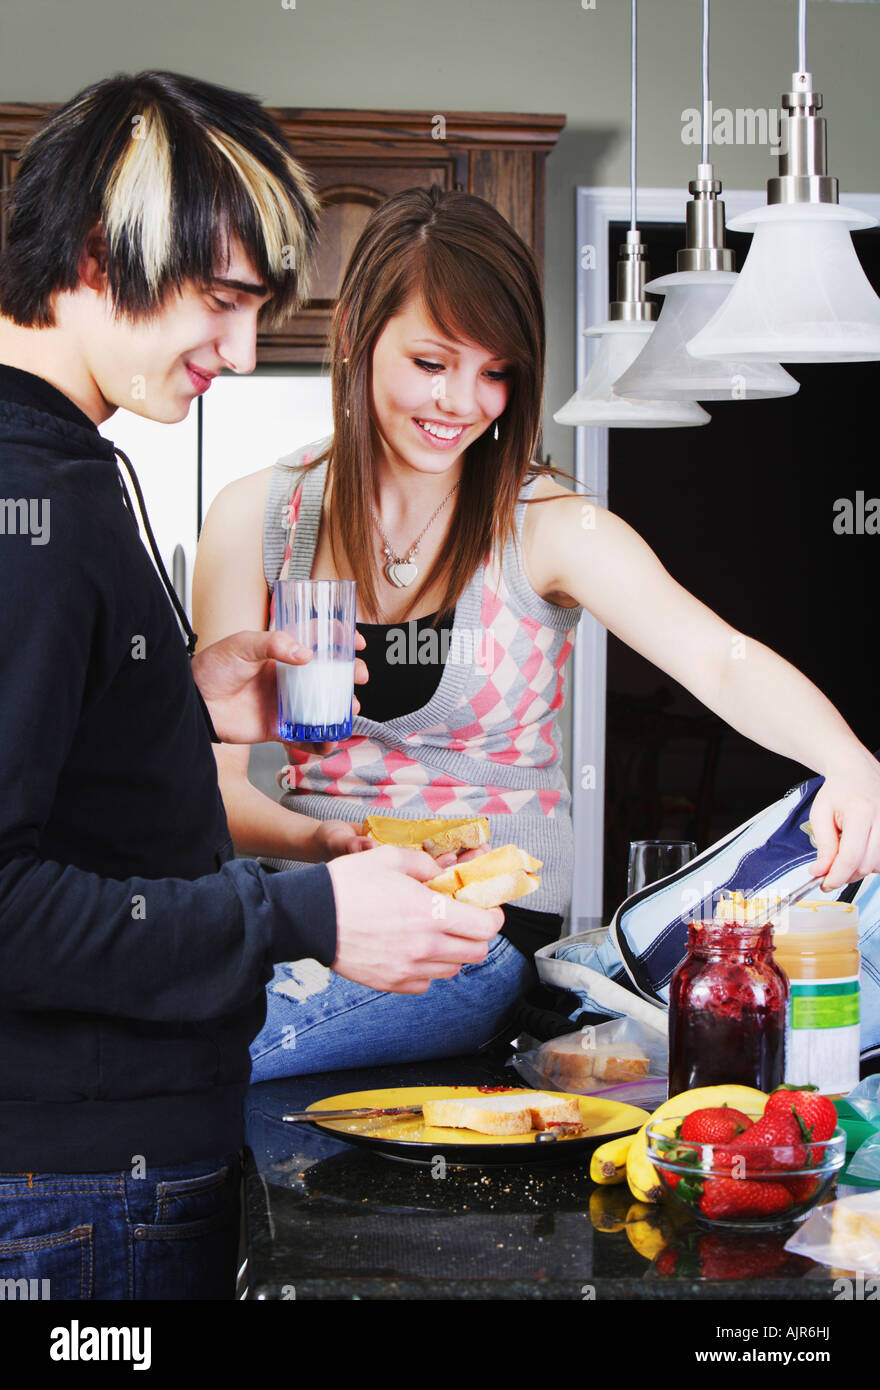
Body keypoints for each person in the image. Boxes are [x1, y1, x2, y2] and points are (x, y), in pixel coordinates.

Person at [0, 74, 502, 1301]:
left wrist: (164, 701)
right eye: (218, 304)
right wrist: (308, 915)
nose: (237, 349)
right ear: (91, 252)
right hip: (77, 1194)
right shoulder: (37, 507)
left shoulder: (61, 466)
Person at [194, 184, 880, 1082]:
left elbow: (722, 657)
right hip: (313, 908)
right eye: (431, 362)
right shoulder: (258, 517)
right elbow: (212, 792)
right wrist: (321, 844)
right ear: (357, 329)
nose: (463, 402)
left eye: (494, 371)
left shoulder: (548, 525)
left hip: (479, 937)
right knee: (168, 1010)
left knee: (203, 1046)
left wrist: (856, 764)